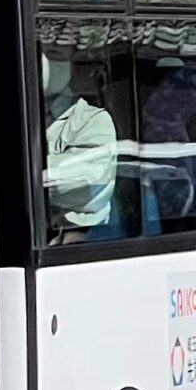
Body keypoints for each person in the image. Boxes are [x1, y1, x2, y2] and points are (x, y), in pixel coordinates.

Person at [42, 44, 119, 244]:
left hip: (65, 245)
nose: (40, 61)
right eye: (33, 53)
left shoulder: (91, 120)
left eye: (53, 52)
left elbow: (84, 183)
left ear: (72, 60)